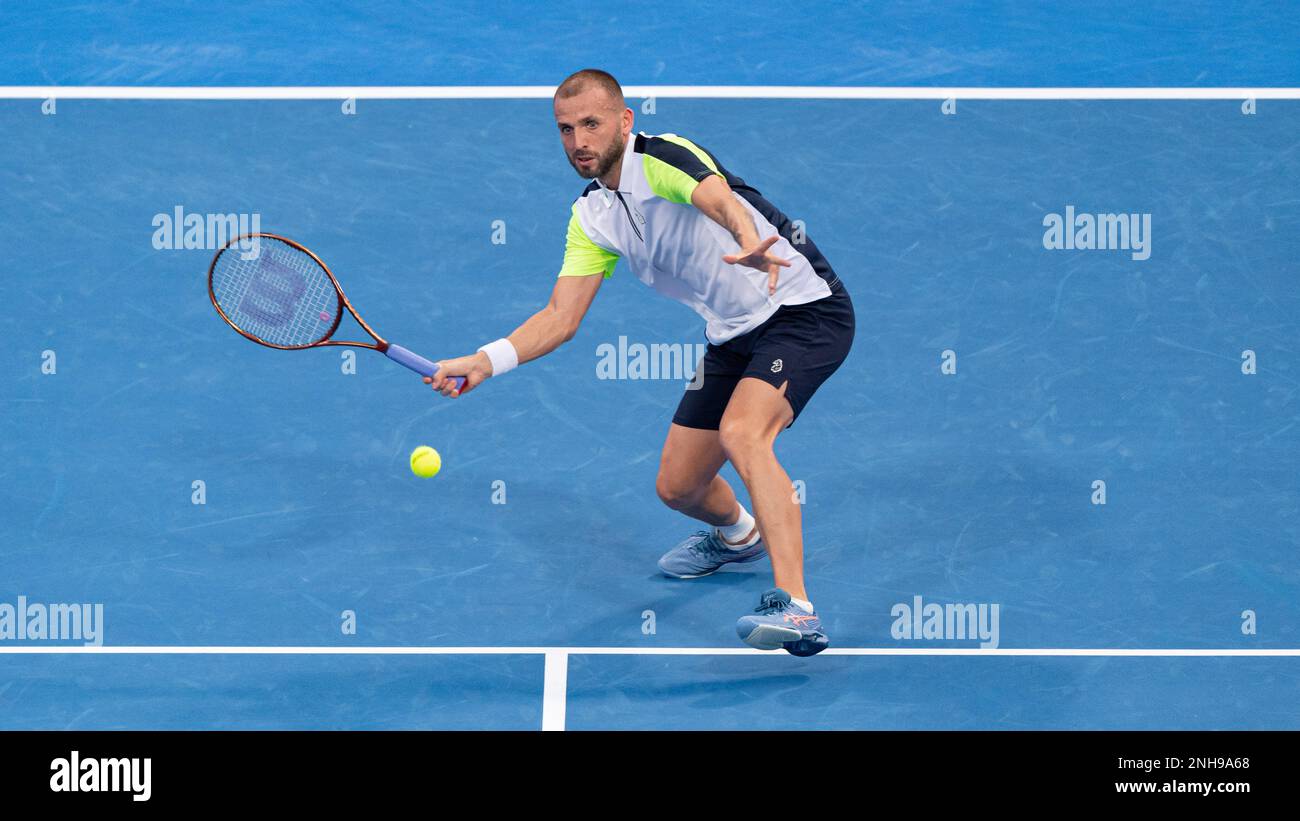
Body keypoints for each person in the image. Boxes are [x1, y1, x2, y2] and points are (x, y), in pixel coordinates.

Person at [426, 69, 854, 656]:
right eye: (566, 129)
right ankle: (739, 537)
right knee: (678, 488)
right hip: (732, 333)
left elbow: (716, 195)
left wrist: (745, 236)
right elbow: (561, 317)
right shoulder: (591, 217)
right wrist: (483, 361)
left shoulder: (663, 158)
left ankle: (799, 608)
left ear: (625, 122)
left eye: (592, 124)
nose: (579, 140)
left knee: (742, 434)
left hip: (802, 311)